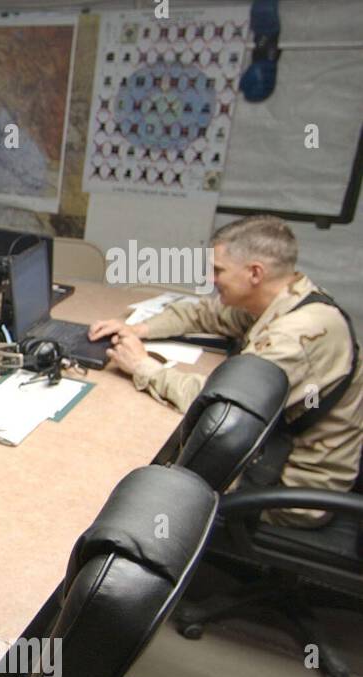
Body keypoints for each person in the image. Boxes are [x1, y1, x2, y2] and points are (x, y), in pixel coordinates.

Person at [90, 215, 362, 526]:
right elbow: (207, 313)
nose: (212, 278)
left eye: (218, 270)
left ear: (255, 273)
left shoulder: (296, 337)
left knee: (131, 476)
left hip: (291, 490)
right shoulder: (288, 298)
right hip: (274, 453)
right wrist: (138, 328)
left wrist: (143, 367)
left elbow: (219, 406)